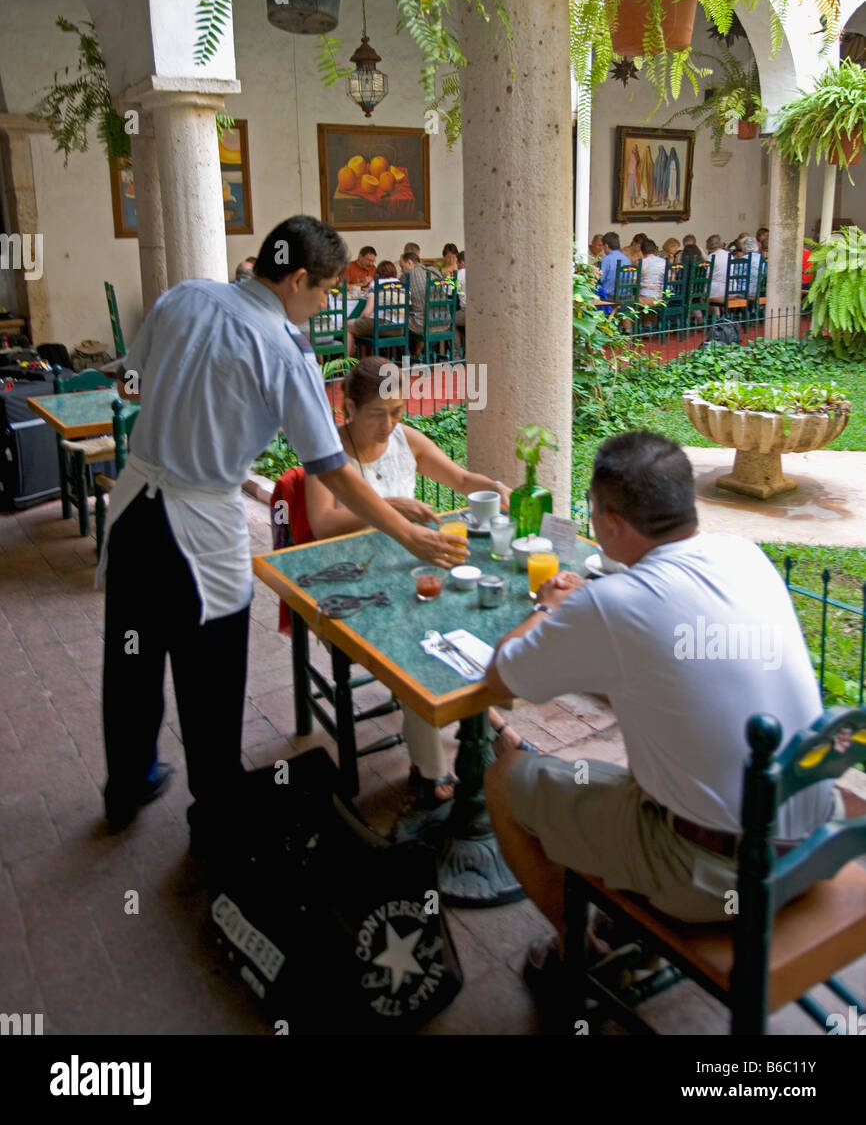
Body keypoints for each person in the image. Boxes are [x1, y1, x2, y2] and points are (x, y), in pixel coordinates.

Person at [99, 216, 467, 839]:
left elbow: (130, 382)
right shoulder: (285, 347)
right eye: (324, 292)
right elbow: (335, 469)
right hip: (197, 528)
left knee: (130, 654)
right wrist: (409, 535)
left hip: (134, 507)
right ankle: (213, 815)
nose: (323, 305)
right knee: (209, 677)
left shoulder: (186, 295)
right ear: (298, 279)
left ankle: (126, 785)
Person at [482, 432, 837, 1006]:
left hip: (726, 879)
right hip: (817, 838)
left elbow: (500, 679)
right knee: (610, 776)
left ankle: (581, 954)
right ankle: (627, 892)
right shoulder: (744, 554)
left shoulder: (614, 605)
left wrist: (549, 607)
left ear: (614, 523)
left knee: (503, 780)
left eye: (594, 513)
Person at [304, 357, 530, 805]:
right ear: (347, 406)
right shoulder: (328, 452)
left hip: (410, 566)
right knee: (412, 648)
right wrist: (389, 507)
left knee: (462, 619)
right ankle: (431, 768)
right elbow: (322, 524)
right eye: (377, 414)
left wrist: (499, 486)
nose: (390, 425)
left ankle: (483, 722)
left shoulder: (405, 439)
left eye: (398, 412)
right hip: (351, 585)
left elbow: (462, 479)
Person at [348, 260, 404, 346]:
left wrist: (358, 319)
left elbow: (367, 313)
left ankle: (348, 357)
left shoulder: (376, 284)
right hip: (400, 328)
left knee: (347, 325)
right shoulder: (402, 285)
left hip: (380, 326)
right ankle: (406, 360)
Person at [598, 232, 629, 305]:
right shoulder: (627, 259)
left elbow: (600, 279)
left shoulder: (606, 260)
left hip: (610, 299)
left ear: (606, 245)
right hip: (626, 299)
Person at [637, 238, 667, 303]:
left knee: (628, 299)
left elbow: (634, 282)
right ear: (655, 250)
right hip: (662, 299)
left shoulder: (641, 263)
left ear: (642, 251)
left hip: (645, 299)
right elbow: (670, 280)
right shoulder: (664, 262)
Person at [706, 233, 729, 306]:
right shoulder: (729, 254)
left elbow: (706, 276)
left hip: (718, 292)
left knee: (700, 295)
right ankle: (717, 315)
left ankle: (706, 316)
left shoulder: (711, 257)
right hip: (732, 290)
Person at [737, 234, 762, 298]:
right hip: (760, 291)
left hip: (744, 292)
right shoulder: (762, 259)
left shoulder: (742, 260)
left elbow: (735, 276)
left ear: (744, 248)